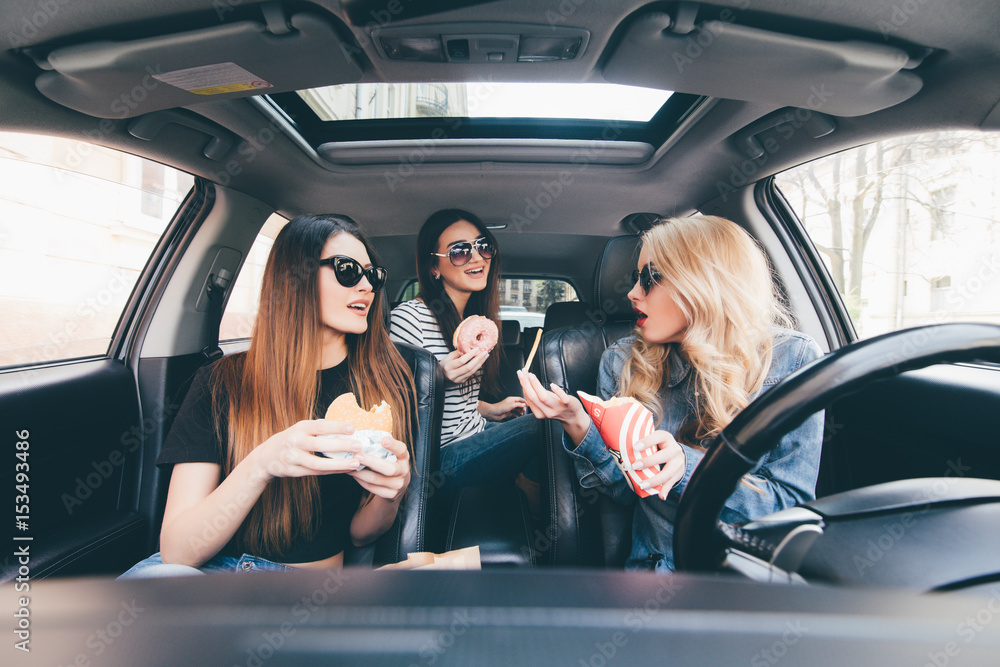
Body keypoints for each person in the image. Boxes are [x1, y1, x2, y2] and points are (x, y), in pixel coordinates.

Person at [518, 215, 824, 572]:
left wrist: (691, 471)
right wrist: (576, 421)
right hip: (662, 573)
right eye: (636, 278)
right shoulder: (621, 362)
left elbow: (790, 507)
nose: (632, 293)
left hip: (754, 576)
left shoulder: (793, 359)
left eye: (650, 278)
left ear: (703, 282)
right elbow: (621, 489)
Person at [121, 214, 415, 577]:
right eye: (348, 270)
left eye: (373, 274)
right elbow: (178, 552)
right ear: (296, 278)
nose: (367, 286)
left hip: (301, 587)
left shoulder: (385, 388)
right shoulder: (221, 382)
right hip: (206, 575)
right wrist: (261, 465)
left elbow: (359, 535)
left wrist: (393, 494)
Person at [389, 209, 539, 502]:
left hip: (476, 433)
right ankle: (530, 503)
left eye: (483, 246)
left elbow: (459, 408)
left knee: (554, 418)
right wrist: (436, 377)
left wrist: (491, 409)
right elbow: (395, 406)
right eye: (459, 251)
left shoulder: (472, 322)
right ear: (434, 266)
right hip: (438, 457)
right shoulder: (409, 317)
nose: (477, 258)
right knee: (546, 424)